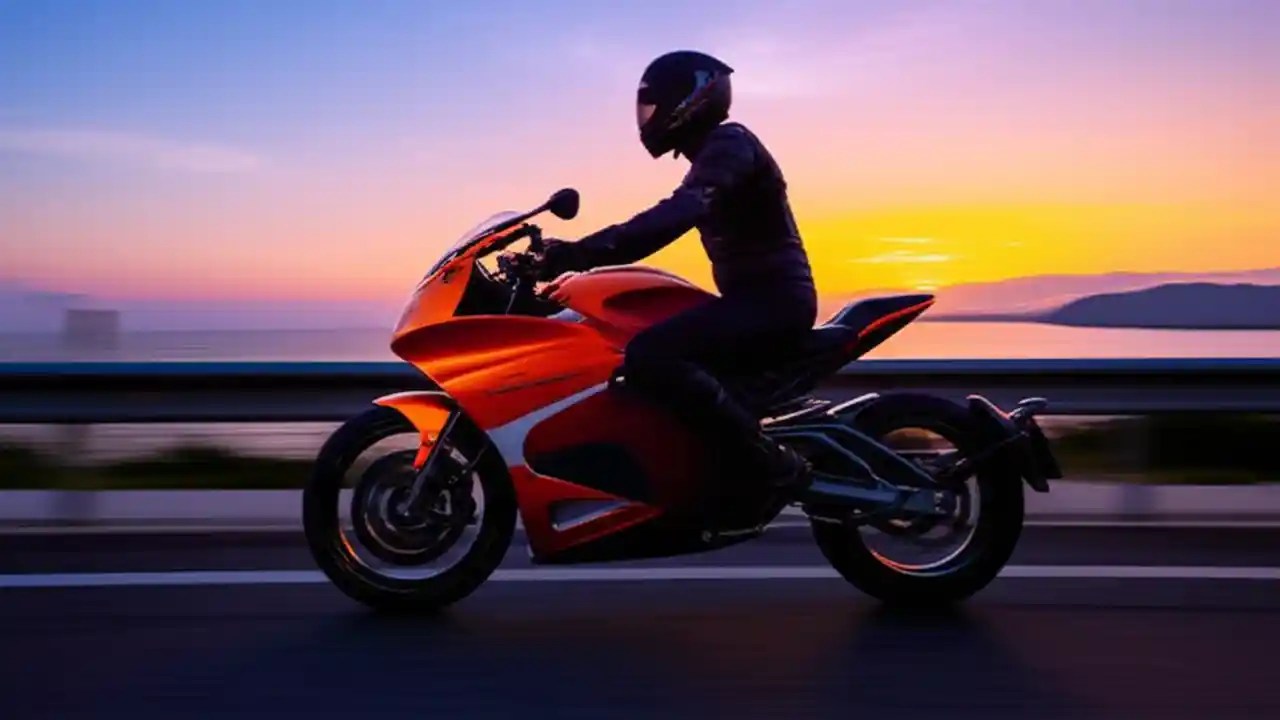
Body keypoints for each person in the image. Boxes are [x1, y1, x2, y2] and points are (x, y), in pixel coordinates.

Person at [535, 50, 816, 490]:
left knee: (652, 353)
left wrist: (578, 253)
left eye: (653, 104)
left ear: (689, 100)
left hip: (773, 304)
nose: (646, 117)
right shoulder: (713, 153)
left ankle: (769, 462)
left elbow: (677, 214)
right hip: (754, 301)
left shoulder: (730, 144)